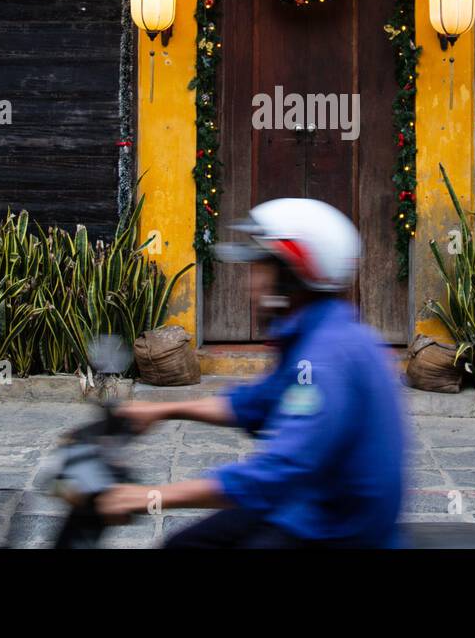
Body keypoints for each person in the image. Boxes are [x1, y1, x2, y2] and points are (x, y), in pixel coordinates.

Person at [95, 198, 408, 548]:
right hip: (312, 508)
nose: (251, 283)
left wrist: (148, 496)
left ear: (293, 274)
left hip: (334, 532)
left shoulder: (324, 355)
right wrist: (162, 410)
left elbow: (279, 473)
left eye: (261, 268)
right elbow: (255, 403)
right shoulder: (317, 335)